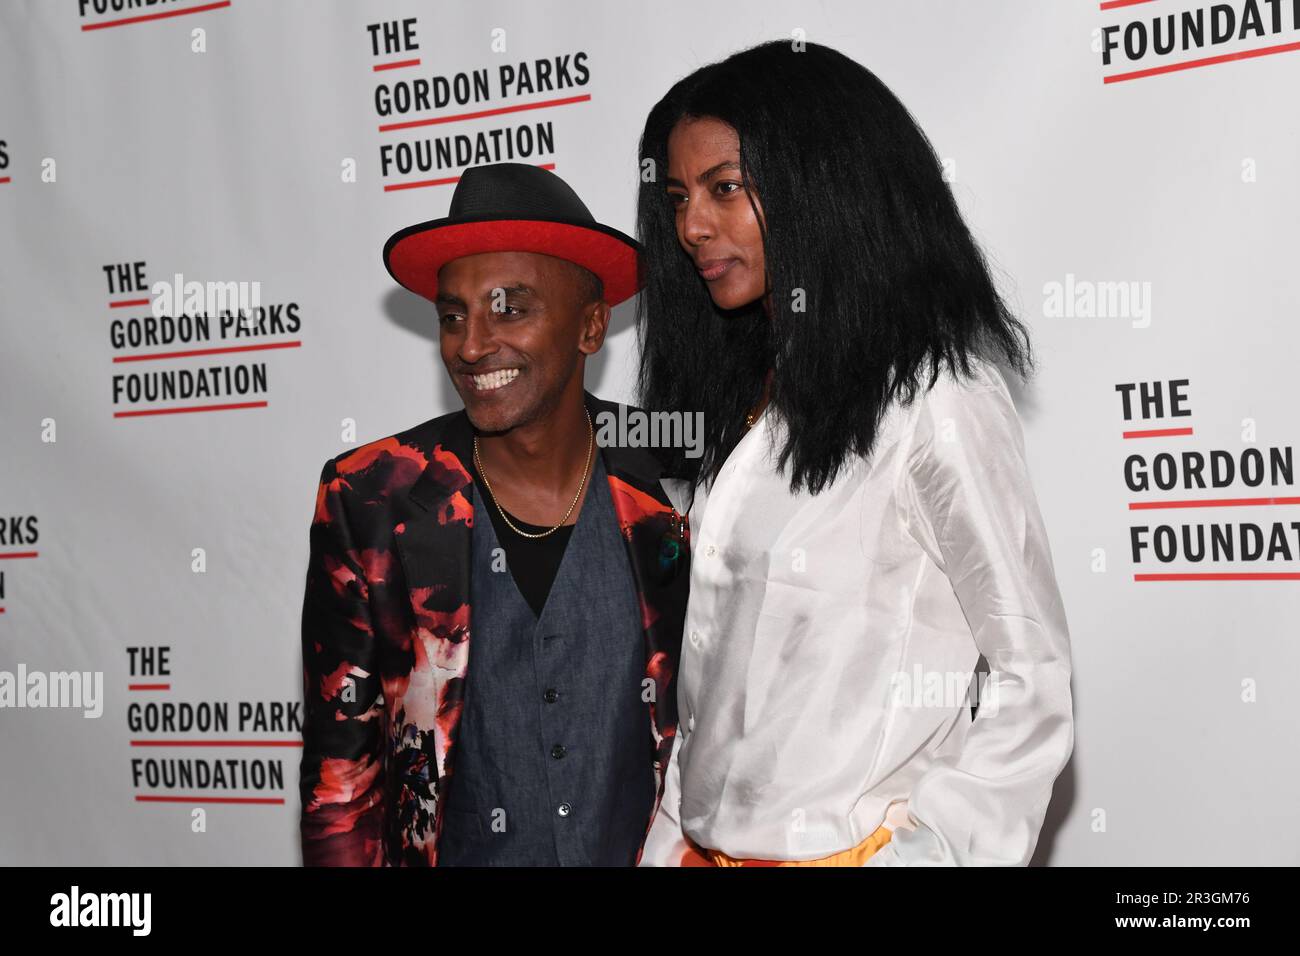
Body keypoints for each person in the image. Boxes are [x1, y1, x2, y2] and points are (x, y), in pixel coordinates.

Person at [635, 40, 1075, 866]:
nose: (691, 226)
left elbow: (1032, 679)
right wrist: (669, 843)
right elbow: (717, 694)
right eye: (679, 197)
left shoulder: (937, 401)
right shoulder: (749, 401)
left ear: (822, 184)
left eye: (725, 188)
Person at [298, 162, 689, 866]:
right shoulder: (370, 499)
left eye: (510, 307)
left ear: (592, 325)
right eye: (454, 316)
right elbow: (341, 782)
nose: (472, 345)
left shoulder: (678, 480)